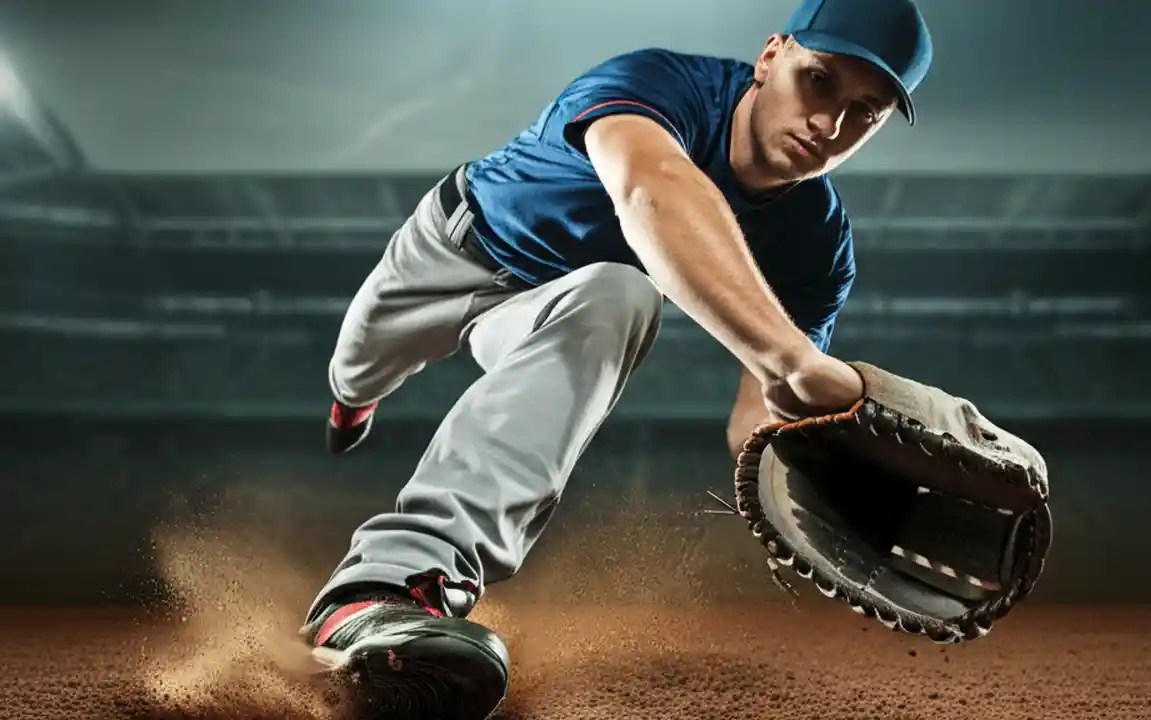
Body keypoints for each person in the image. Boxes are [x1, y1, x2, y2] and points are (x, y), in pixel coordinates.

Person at [298, 0, 932, 717]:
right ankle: (352, 406)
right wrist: (792, 357)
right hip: (450, 253)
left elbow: (760, 412)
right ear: (771, 57)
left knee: (623, 293)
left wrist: (819, 498)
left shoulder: (817, 244)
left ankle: (384, 589)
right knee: (355, 366)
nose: (831, 125)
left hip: (558, 310)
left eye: (865, 113)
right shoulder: (659, 84)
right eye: (819, 82)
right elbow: (651, 188)